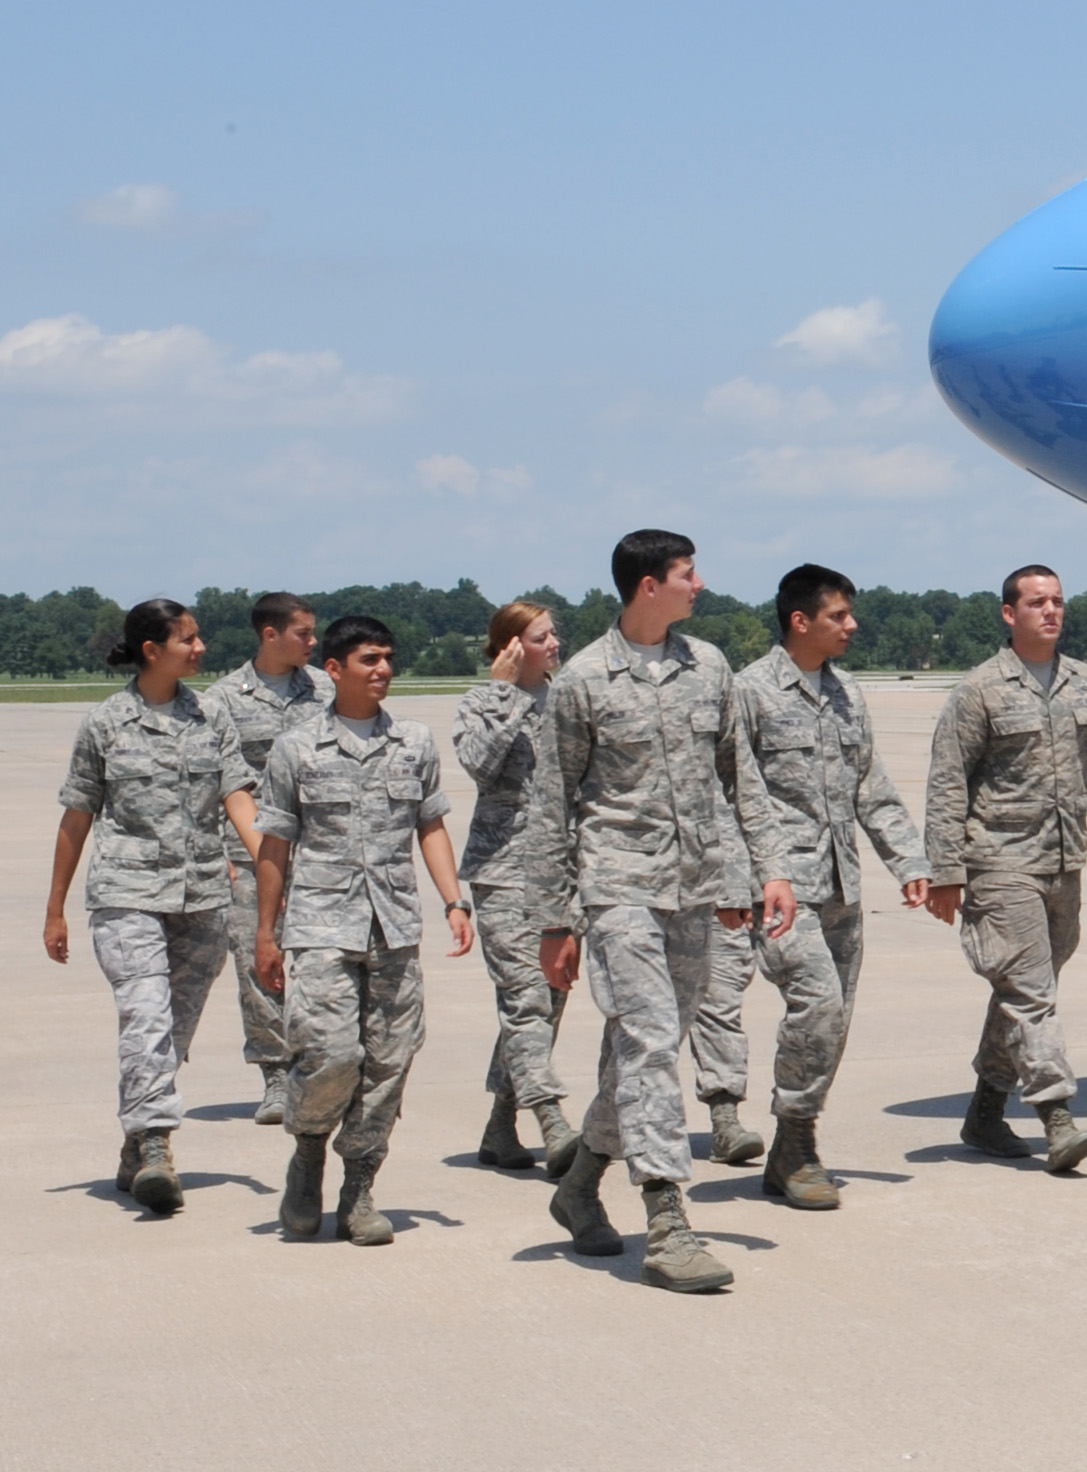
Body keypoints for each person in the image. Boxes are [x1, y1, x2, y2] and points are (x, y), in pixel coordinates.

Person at [509, 529, 790, 1294]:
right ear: (647, 586)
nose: (698, 585)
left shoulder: (710, 669)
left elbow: (743, 780)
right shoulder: (583, 680)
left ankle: (579, 1182)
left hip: (697, 888)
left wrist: (768, 870)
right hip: (618, 888)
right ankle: (667, 1221)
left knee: (639, 1056)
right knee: (654, 1039)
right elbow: (552, 808)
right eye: (687, 574)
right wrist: (554, 922)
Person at [251, 615, 473, 1246]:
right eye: (369, 659)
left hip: (394, 925)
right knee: (329, 1053)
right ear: (335, 670)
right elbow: (275, 844)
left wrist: (455, 901)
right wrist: (267, 934)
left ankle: (359, 1187)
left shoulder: (414, 741)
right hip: (321, 924)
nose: (383, 670)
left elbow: (430, 826)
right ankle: (309, 1152)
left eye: (388, 659)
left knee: (390, 1061)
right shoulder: (296, 747)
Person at [920, 564, 1087, 1174]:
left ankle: (986, 1111)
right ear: (1008, 613)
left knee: (1024, 993)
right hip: (998, 861)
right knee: (1031, 991)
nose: (1051, 611)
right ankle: (1057, 1116)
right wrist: (944, 872)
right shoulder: (980, 690)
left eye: (1058, 602)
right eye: (1037, 602)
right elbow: (947, 784)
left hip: (1064, 861)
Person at [42, 599, 263, 1215]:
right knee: (145, 1017)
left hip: (202, 898)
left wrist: (275, 870)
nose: (200, 648)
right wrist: (55, 908)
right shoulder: (106, 723)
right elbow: (77, 815)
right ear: (152, 650)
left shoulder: (212, 715)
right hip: (125, 895)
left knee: (172, 1032)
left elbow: (237, 798)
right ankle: (160, 1148)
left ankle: (135, 1141)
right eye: (188, 640)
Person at [719, 564, 926, 1208]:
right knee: (818, 1004)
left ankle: (790, 1142)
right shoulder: (748, 692)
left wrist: (911, 863)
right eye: (839, 615)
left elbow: (873, 786)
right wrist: (742, 882)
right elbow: (727, 796)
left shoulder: (846, 693)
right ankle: (800, 1144)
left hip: (841, 884)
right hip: (779, 888)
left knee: (836, 1020)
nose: (851, 626)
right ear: (800, 620)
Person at [452, 599, 577, 1173]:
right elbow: (480, 765)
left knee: (548, 1002)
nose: (553, 644)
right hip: (502, 869)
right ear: (509, 645)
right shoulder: (481, 702)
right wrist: (504, 696)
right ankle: (552, 1122)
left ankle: (501, 1128)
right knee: (524, 997)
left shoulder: (570, 697)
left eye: (554, 634)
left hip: (562, 873)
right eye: (540, 636)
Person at [202, 592, 327, 1123]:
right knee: (260, 967)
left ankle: (318, 1068)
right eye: (303, 632)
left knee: (324, 962)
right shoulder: (222, 700)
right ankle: (276, 1075)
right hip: (250, 854)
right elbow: (211, 784)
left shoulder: (325, 689)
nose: (313, 641)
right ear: (270, 635)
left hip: (323, 851)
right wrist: (217, 853)